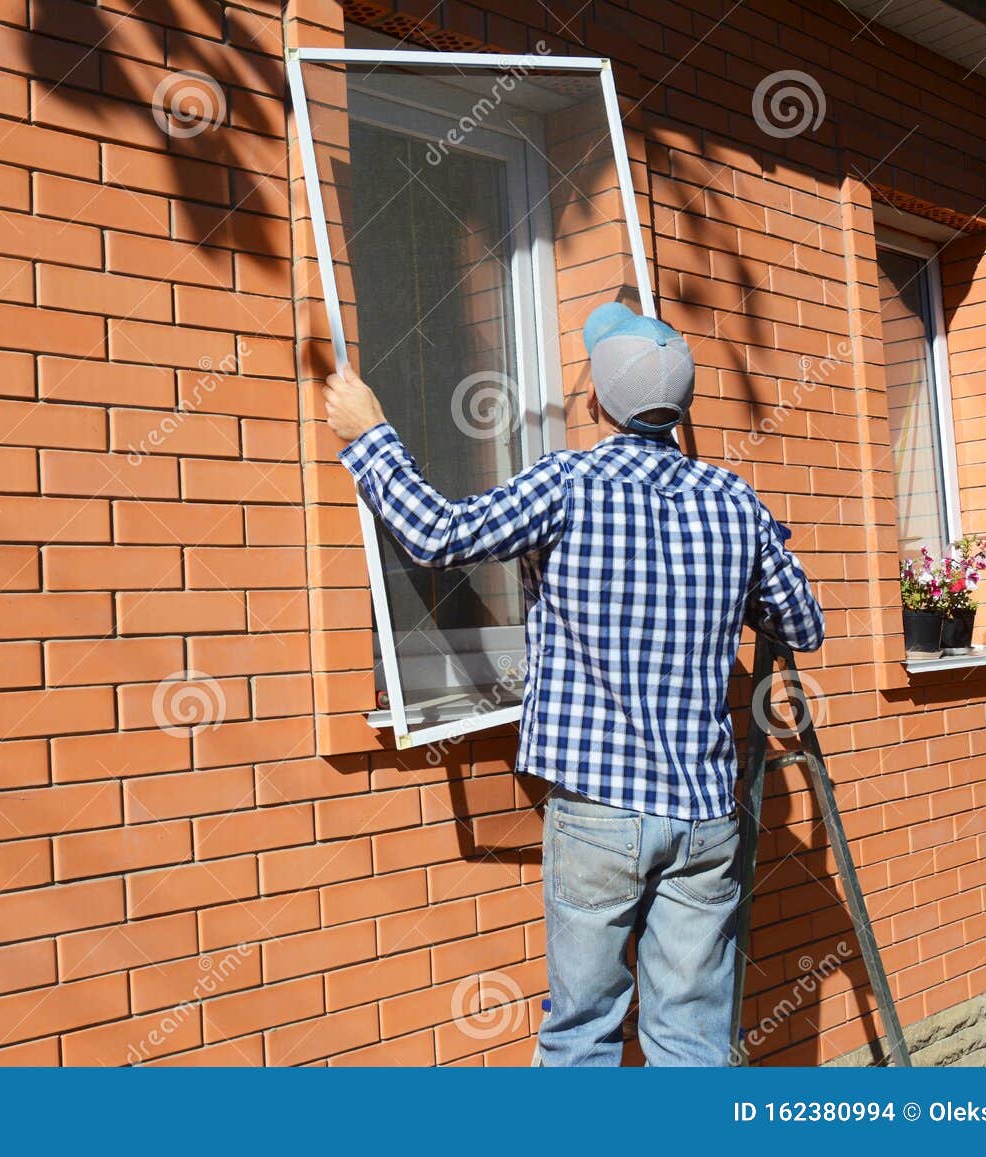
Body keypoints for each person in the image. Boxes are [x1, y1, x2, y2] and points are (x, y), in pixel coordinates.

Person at [322, 301, 824, 1067]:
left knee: (582, 1036)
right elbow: (804, 625)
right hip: (703, 817)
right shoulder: (734, 502)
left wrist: (369, 434)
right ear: (678, 412)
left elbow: (437, 537)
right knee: (692, 1046)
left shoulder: (569, 483)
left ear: (595, 403)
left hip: (598, 814)